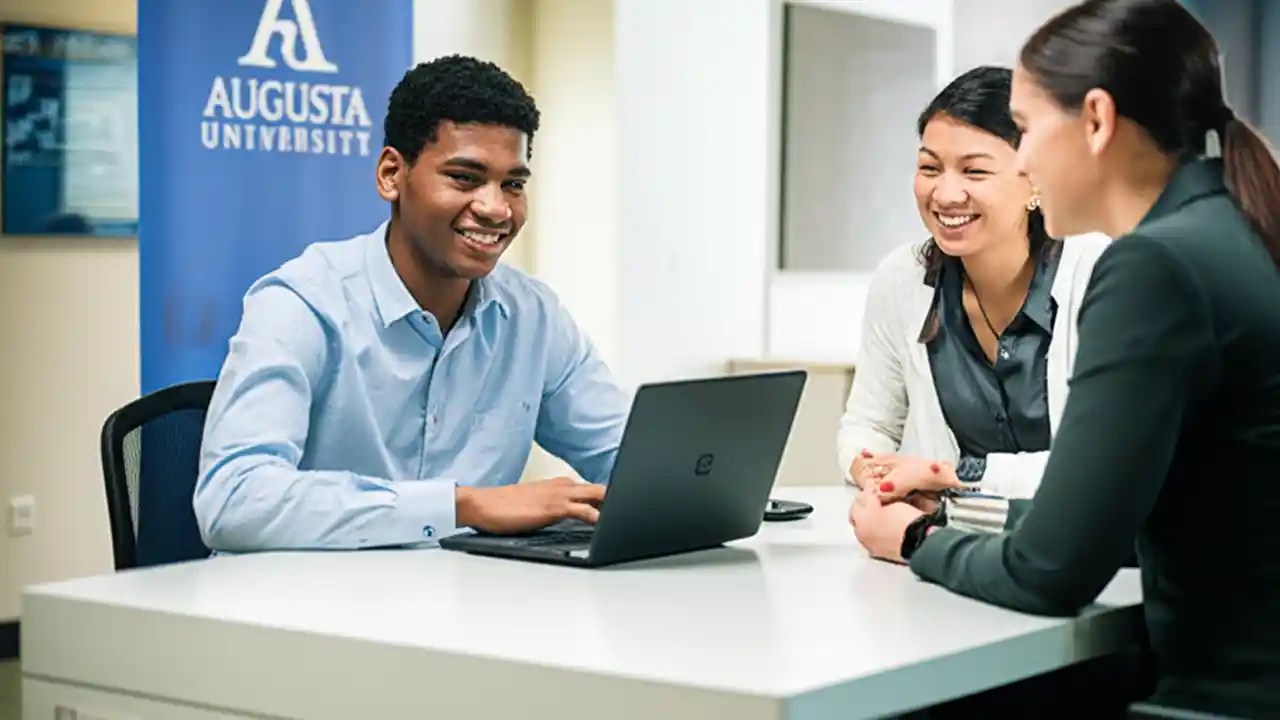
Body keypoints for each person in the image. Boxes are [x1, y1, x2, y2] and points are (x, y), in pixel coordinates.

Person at [850, 1, 1280, 716]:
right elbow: (1121, 523)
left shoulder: (1154, 267)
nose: (1022, 160)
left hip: (1218, 699)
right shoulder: (1229, 229)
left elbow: (1048, 575)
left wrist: (916, 539)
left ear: (1097, 121)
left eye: (1023, 129)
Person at [194, 55, 631, 552]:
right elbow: (234, 501)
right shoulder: (301, 303)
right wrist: (462, 506)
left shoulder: (534, 317)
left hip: (461, 611)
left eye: (513, 183)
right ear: (390, 175)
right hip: (306, 611)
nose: (496, 208)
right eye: (465, 177)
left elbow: (634, 463)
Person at [837, 66, 1109, 532]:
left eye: (974, 171)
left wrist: (953, 477)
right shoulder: (902, 279)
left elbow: (1101, 468)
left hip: (1088, 556)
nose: (944, 193)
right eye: (928, 167)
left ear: (1035, 181)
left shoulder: (1099, 274)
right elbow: (867, 424)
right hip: (948, 554)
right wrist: (874, 473)